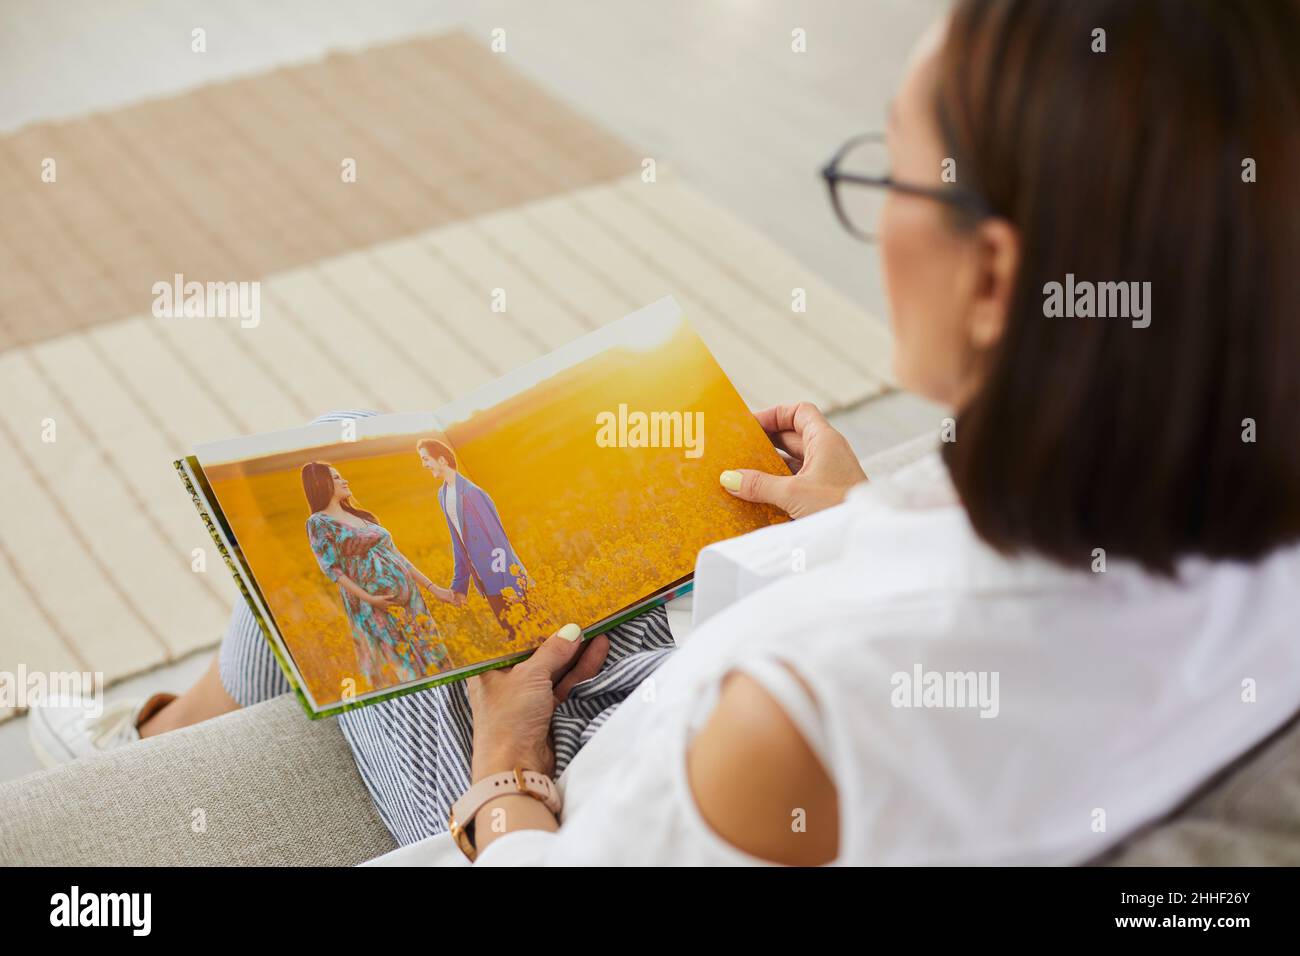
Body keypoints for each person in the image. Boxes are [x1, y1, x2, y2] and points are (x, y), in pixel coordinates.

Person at [30, 0, 1300, 868]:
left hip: (558, 796)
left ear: (988, 280)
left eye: (889, 175)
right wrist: (855, 522)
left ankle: (139, 740)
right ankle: (152, 726)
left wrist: (509, 760)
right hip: (721, 659)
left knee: (331, 483)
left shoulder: (802, 718)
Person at [301, 461, 456, 687]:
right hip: (372, 605)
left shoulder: (364, 516)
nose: (344, 481)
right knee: (403, 665)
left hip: (411, 600)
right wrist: (371, 599)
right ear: (320, 483)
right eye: (336, 478)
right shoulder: (318, 522)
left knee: (434, 654)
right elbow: (332, 570)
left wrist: (434, 588)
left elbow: (398, 556)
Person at [415, 439, 536, 642]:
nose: (424, 465)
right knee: (517, 639)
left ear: (442, 460)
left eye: (426, 459)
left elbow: (499, 540)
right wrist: (459, 587)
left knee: (537, 633)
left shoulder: (472, 493)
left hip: (507, 581)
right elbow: (458, 543)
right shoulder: (443, 495)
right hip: (487, 583)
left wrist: (511, 585)